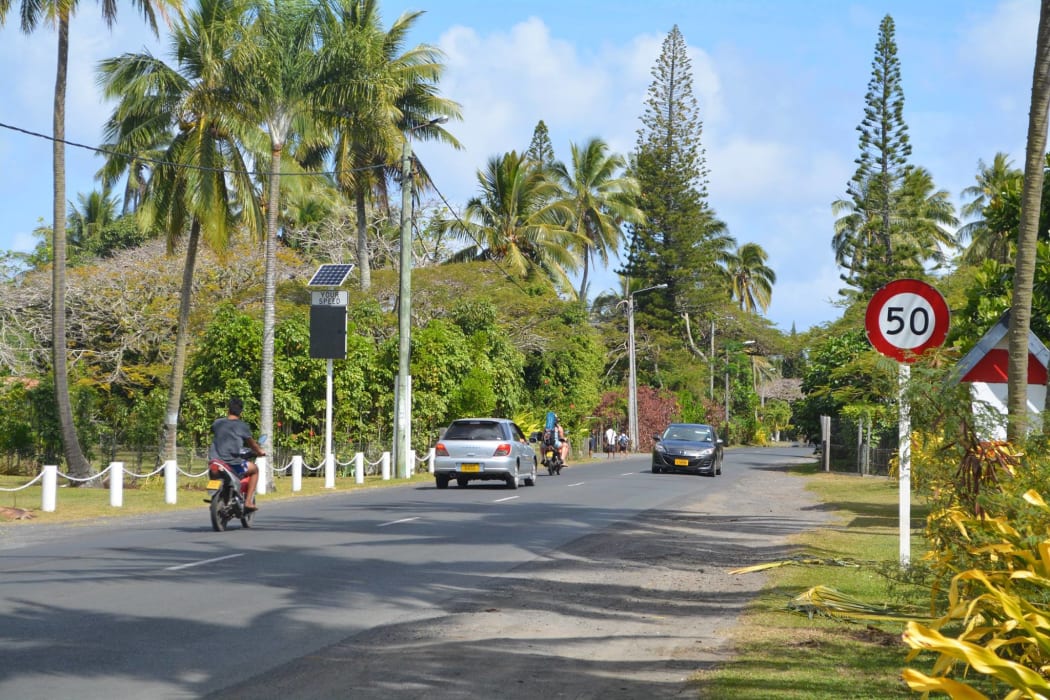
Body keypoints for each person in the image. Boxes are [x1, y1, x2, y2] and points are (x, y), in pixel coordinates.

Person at [209, 397, 265, 511]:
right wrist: (260, 451)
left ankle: (217, 495)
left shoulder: (217, 423)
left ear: (228, 410)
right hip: (233, 463)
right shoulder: (242, 426)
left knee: (213, 473)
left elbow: (216, 432)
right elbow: (252, 444)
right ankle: (248, 501)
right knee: (255, 469)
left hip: (215, 461)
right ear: (241, 412)